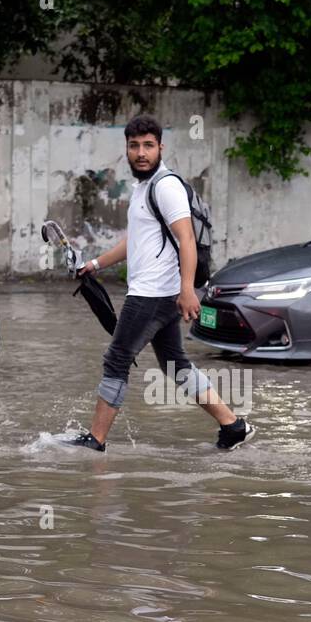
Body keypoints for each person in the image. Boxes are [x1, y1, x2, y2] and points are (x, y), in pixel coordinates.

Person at [64, 115, 252, 452]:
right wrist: (94, 264)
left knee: (117, 358)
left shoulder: (166, 186)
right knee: (174, 364)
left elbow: (187, 240)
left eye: (148, 145)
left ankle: (96, 440)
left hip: (153, 293)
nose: (141, 152)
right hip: (160, 293)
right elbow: (134, 240)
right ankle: (232, 425)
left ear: (160, 148)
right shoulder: (143, 189)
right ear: (127, 149)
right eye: (134, 146)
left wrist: (187, 290)